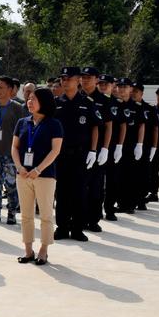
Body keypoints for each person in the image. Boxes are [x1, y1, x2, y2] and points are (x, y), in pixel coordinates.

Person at [12, 87, 64, 266]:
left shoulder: (54, 124)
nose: (29, 102)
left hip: (45, 176)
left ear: (45, 102)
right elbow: (14, 148)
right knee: (26, 215)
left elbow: (55, 150)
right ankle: (28, 250)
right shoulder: (22, 122)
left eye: (34, 99)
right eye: (29, 98)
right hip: (23, 175)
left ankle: (43, 250)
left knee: (46, 215)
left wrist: (38, 169)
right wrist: (19, 167)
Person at [52, 67, 99, 240]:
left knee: (79, 192)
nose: (64, 81)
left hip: (81, 155)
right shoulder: (57, 103)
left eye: (68, 78)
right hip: (61, 155)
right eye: (62, 78)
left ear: (78, 80)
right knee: (62, 192)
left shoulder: (87, 102)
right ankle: (62, 227)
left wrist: (93, 151)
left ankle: (78, 228)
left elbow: (95, 127)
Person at [0, 76, 26, 225]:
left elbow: (23, 132)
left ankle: (11, 213)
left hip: (10, 155)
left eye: (1, 87)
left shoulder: (17, 108)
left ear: (10, 90)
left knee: (11, 185)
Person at [79, 67, 112, 232]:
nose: (85, 80)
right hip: (79, 149)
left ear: (96, 79)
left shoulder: (104, 100)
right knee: (80, 186)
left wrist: (105, 148)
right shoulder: (77, 96)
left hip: (97, 150)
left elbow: (108, 126)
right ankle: (81, 219)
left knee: (96, 187)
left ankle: (93, 220)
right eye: (83, 77)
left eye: (89, 77)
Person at [115, 78, 146, 214]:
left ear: (130, 89)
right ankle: (121, 203)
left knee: (131, 175)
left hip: (131, 146)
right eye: (120, 87)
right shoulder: (114, 104)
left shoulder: (136, 106)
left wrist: (140, 144)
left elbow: (141, 126)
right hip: (116, 146)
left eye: (125, 87)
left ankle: (131, 204)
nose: (122, 89)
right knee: (118, 175)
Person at [99, 75, 126, 221]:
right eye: (100, 84)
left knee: (112, 180)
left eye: (106, 84)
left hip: (113, 147)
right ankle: (96, 210)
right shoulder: (93, 101)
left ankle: (109, 209)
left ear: (112, 85)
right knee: (96, 181)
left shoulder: (117, 103)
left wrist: (119, 146)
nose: (103, 87)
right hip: (96, 147)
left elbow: (122, 125)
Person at [133, 81, 159, 210]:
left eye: (136, 91)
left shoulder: (149, 109)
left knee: (143, 174)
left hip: (145, 146)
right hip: (129, 146)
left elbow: (155, 129)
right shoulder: (128, 107)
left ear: (142, 93)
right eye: (132, 91)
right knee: (129, 173)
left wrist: (154, 147)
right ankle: (128, 200)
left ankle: (141, 200)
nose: (133, 93)